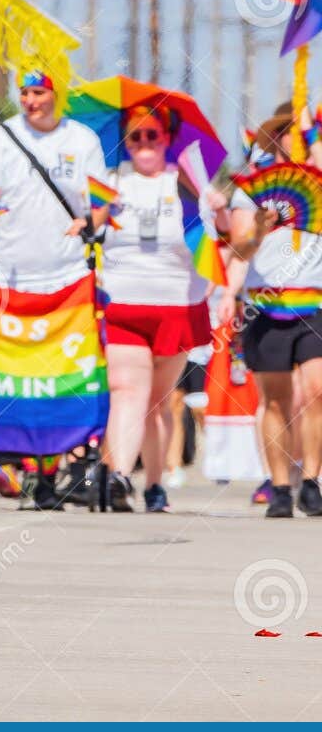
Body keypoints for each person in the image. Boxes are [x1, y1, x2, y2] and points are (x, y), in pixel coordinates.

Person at [0, 71, 108, 507]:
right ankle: (23, 468)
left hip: (66, 281)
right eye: (23, 93)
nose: (29, 101)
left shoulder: (82, 141)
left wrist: (91, 222)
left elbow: (101, 205)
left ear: (56, 93)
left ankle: (55, 469)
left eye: (38, 92)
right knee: (19, 382)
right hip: (9, 280)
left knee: (58, 382)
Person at [97, 103, 226, 512]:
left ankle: (154, 484)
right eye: (134, 136)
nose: (143, 144)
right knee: (127, 391)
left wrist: (217, 205)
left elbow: (222, 233)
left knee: (158, 401)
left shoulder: (187, 183)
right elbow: (90, 222)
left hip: (176, 305)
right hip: (123, 303)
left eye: (152, 134)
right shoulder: (111, 181)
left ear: (167, 138)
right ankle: (119, 475)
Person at [227, 109, 322, 519]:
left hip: (314, 302)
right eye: (290, 134)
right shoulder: (252, 188)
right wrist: (261, 231)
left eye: (305, 135)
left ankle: (313, 481)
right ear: (277, 138)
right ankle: (281, 486)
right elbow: (238, 250)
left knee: (317, 391)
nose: (297, 140)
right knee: (276, 400)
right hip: (267, 305)